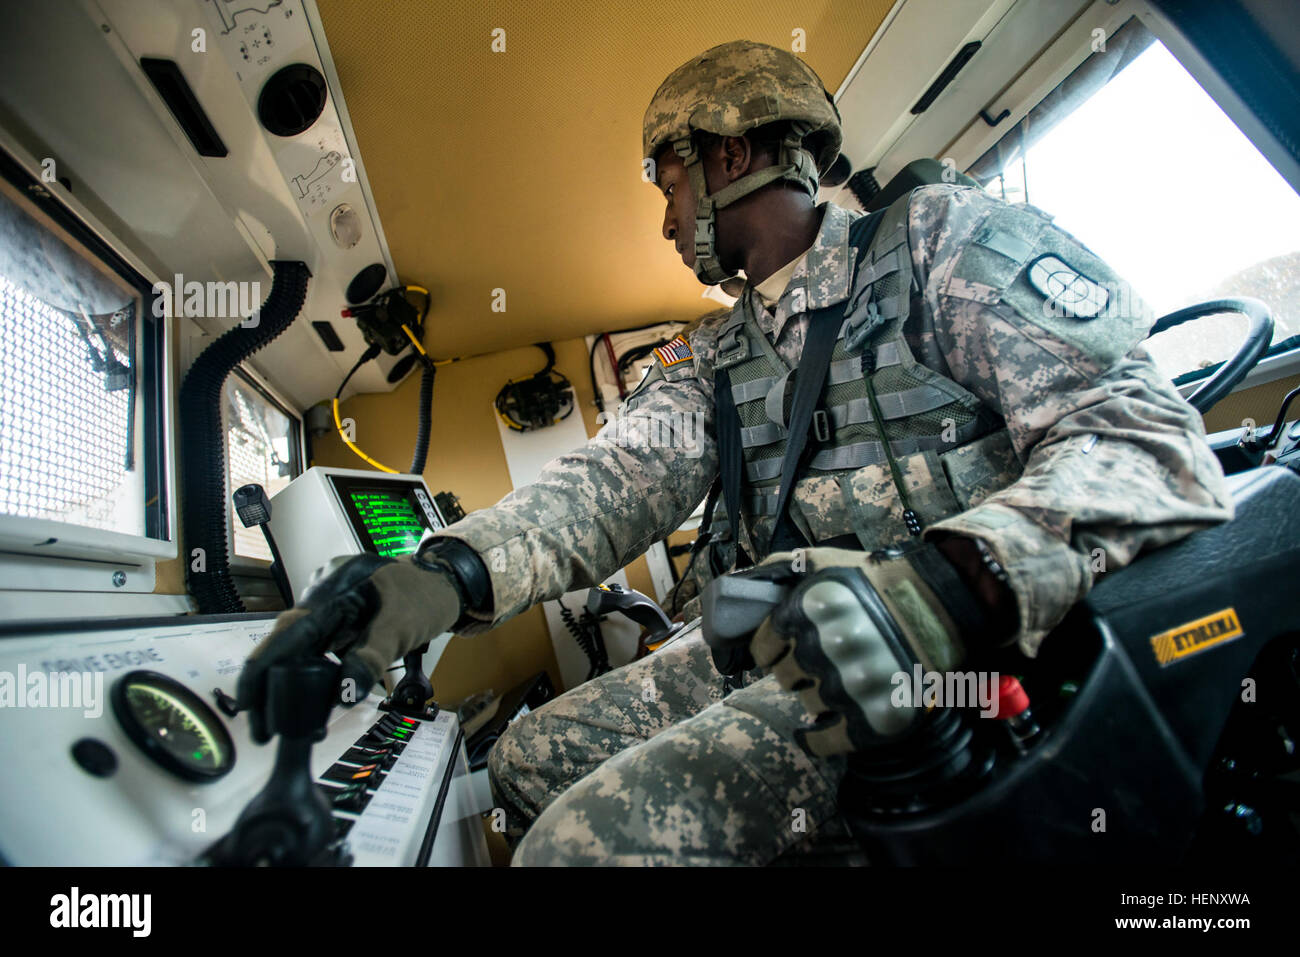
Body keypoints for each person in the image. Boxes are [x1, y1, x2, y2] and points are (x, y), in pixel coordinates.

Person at [236, 40, 1232, 865]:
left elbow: (1147, 445)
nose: (666, 218)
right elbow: (609, 482)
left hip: (953, 661)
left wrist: (944, 586)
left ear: (727, 155)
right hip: (784, 650)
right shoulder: (710, 353)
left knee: (572, 853)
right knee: (530, 759)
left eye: (666, 180)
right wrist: (446, 574)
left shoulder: (940, 245)